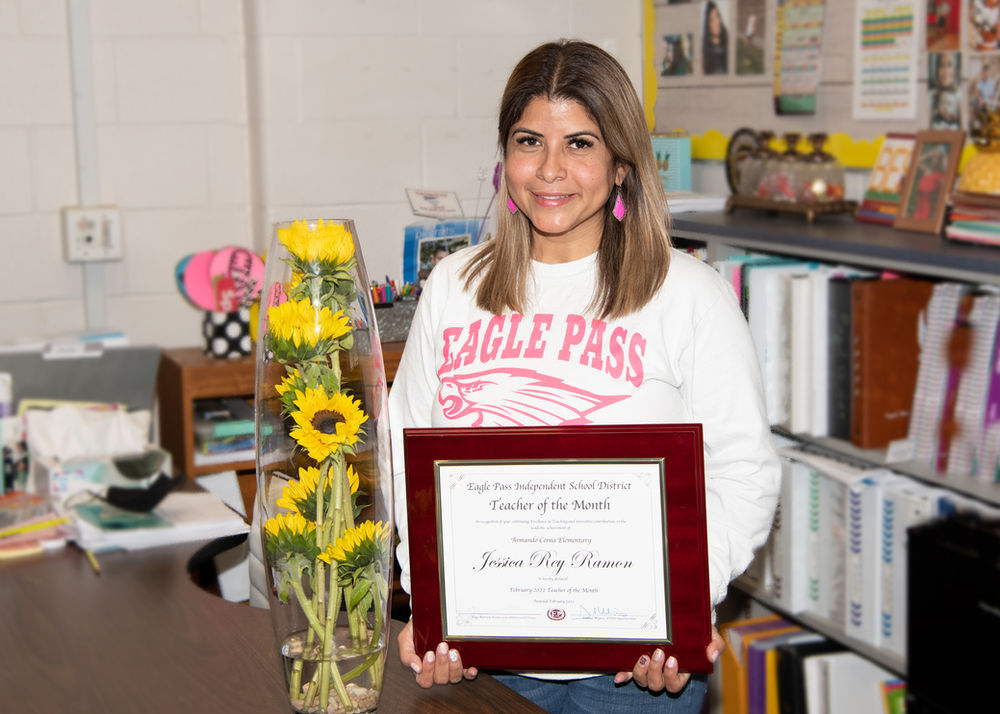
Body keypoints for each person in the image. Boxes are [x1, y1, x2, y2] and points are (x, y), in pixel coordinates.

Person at [390, 40, 780, 713]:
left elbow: (744, 472)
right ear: (505, 156)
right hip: (483, 658)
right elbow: (405, 458)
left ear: (621, 163)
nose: (550, 169)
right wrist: (432, 601)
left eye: (579, 144)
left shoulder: (691, 294)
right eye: (529, 141)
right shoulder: (453, 286)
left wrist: (681, 603)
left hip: (637, 675)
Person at [702, 1, 728, 75]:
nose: (717, 22)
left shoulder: (727, 40)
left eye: (717, 16)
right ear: (708, 25)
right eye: (712, 20)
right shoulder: (705, 49)